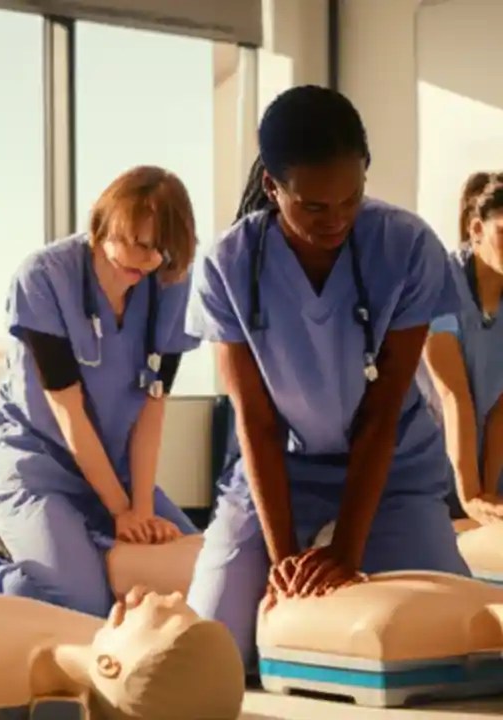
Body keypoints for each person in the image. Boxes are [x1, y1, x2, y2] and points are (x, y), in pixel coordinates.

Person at [184, 84, 472, 669]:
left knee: (446, 643)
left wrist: (345, 552)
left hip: (390, 469)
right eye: (314, 206)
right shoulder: (228, 265)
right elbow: (257, 425)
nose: (337, 219)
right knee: (212, 653)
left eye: (352, 199)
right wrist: (286, 561)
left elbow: (382, 413)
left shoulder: (407, 246)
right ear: (272, 186)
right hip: (280, 468)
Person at [0, 166, 202, 618]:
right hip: (38, 466)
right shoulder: (44, 278)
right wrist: (120, 512)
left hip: (120, 469)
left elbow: (152, 405)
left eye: (159, 251)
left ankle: (88, 555)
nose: (144, 261)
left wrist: (140, 509)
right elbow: (67, 409)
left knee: (203, 582)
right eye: (135, 242)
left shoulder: (167, 282)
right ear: (103, 220)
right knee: (81, 603)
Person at [419, 171, 503, 526]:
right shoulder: (439, 283)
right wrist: (470, 496)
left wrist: (488, 492)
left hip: (485, 461)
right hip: (429, 464)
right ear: (476, 230)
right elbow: (454, 396)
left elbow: (501, 406)